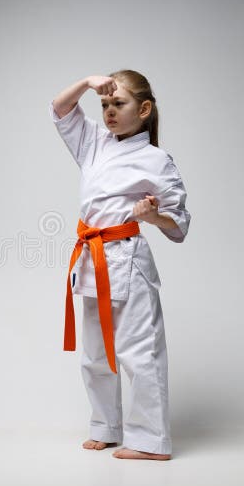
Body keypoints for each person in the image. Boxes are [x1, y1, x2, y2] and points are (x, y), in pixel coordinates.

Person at [50, 70, 190, 461]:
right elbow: (60, 109)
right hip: (92, 259)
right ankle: (106, 427)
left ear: (144, 109)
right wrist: (86, 82)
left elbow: (179, 223)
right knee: (95, 354)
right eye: (105, 105)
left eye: (119, 104)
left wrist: (151, 216)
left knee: (138, 352)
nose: (109, 112)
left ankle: (150, 441)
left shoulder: (156, 160)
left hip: (127, 258)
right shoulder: (95, 141)